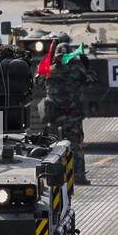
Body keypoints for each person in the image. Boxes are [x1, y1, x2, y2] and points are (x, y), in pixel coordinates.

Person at [42, 39, 94, 185]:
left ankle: (52, 177)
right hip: (72, 115)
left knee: (52, 147)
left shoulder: (49, 71)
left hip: (53, 115)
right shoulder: (77, 70)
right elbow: (90, 81)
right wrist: (85, 63)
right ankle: (78, 176)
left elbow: (38, 82)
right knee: (75, 146)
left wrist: (49, 58)